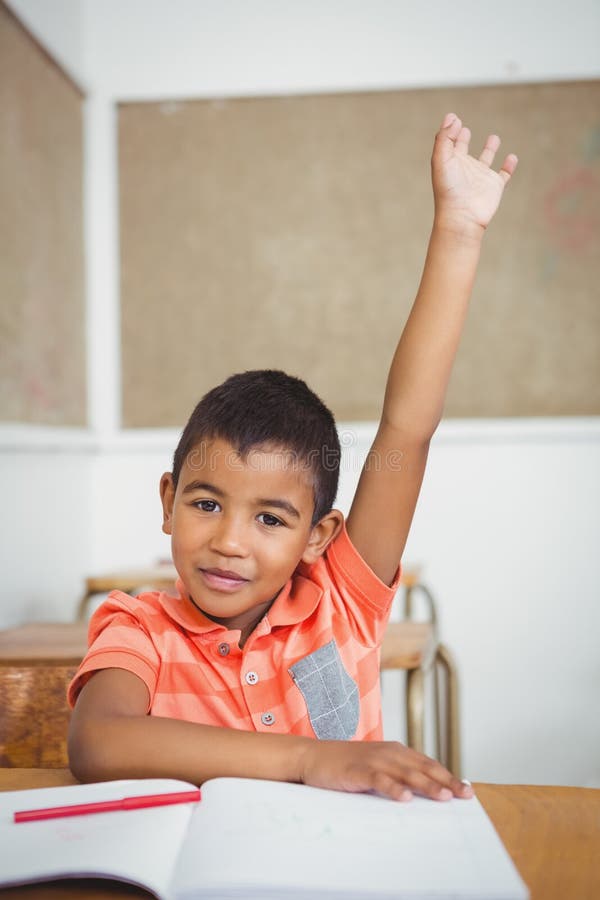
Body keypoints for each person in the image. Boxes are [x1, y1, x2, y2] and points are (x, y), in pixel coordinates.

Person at [68, 113, 517, 802]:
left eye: (271, 519)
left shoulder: (340, 600)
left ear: (320, 536)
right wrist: (308, 759)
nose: (228, 541)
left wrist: (459, 231)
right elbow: (97, 744)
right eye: (206, 503)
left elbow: (407, 429)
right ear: (167, 501)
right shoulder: (140, 628)